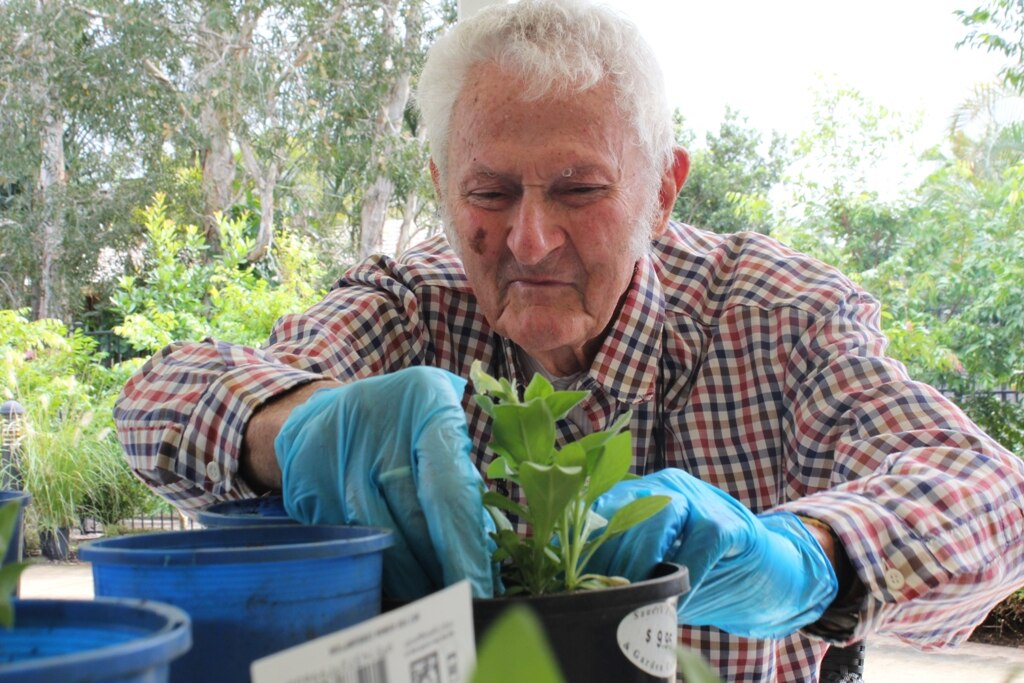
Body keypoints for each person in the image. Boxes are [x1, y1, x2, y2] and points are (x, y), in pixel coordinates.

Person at [113, 0, 1024, 680]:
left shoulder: (775, 313)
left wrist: (804, 557)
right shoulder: (408, 308)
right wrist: (297, 421)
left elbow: (989, 495)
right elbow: (156, 398)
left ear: (663, 190)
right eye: (490, 193)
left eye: (581, 191)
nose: (531, 239)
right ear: (440, 186)